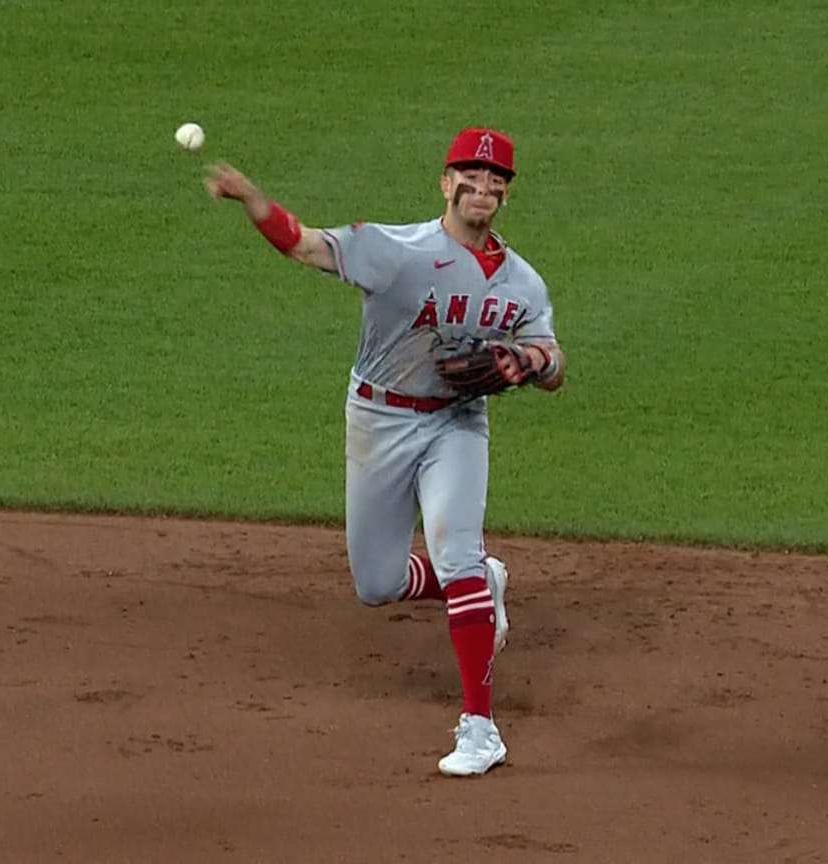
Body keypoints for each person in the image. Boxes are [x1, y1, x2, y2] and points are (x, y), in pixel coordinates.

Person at [204, 127, 565, 777]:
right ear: (445, 183)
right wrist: (252, 197)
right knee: (377, 582)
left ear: (505, 196)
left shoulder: (522, 283)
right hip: (378, 417)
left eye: (495, 181)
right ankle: (482, 583)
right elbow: (303, 244)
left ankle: (481, 726)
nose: (481, 188)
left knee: (456, 549)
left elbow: (555, 363)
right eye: (470, 176)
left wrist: (526, 360)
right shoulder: (396, 250)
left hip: (458, 425)